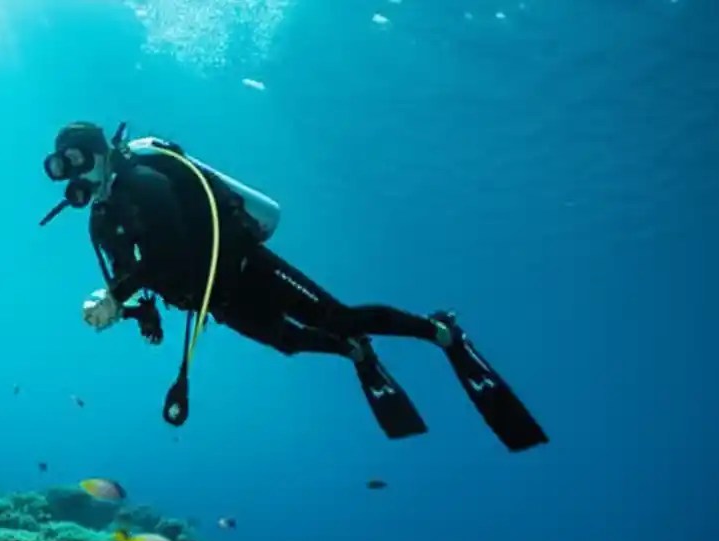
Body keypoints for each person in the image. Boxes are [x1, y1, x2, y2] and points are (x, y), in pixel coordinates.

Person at [39, 121, 547, 452]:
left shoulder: (142, 180)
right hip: (217, 298)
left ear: (93, 154)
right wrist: (129, 312)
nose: (68, 173)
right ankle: (353, 353)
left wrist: (118, 296)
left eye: (72, 160)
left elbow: (169, 246)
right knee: (289, 341)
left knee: (336, 314)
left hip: (246, 267)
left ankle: (440, 331)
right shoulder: (103, 220)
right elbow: (140, 275)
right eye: (59, 166)